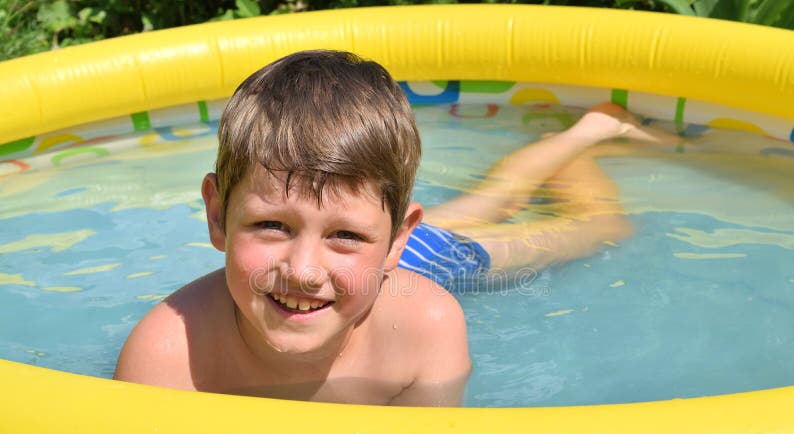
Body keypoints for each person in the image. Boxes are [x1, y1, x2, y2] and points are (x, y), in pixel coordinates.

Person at [114, 50, 665, 406]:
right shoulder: (165, 355)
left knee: (601, 225)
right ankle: (589, 129)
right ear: (217, 215)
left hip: (427, 263)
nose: (302, 271)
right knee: (491, 199)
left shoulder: (424, 326)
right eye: (271, 225)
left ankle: (590, 132)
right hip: (362, 269)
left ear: (398, 237)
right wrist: (350, 240)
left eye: (345, 235)